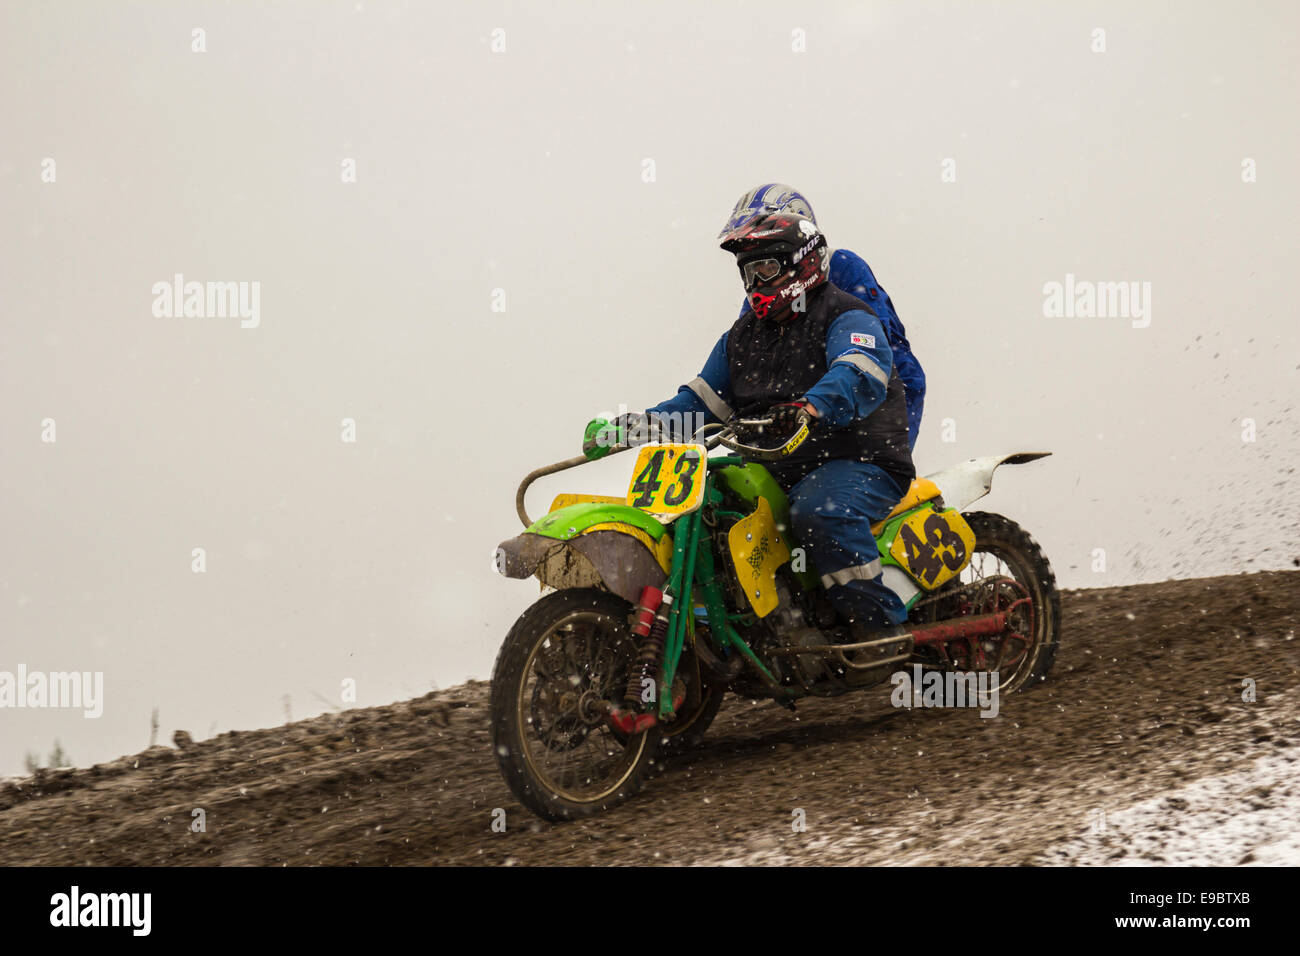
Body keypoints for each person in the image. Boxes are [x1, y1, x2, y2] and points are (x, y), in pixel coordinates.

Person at [588, 208, 915, 634]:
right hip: (778, 465)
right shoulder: (742, 338)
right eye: (748, 273)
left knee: (820, 513)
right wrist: (634, 426)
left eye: (766, 268)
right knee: (713, 508)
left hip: (858, 460)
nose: (756, 284)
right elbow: (701, 402)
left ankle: (881, 628)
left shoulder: (846, 315)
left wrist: (810, 406)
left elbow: (857, 370)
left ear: (804, 262)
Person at [719, 184, 925, 448]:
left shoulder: (843, 266)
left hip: (889, 382)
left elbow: (873, 337)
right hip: (814, 397)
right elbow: (750, 353)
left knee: (879, 460)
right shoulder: (766, 289)